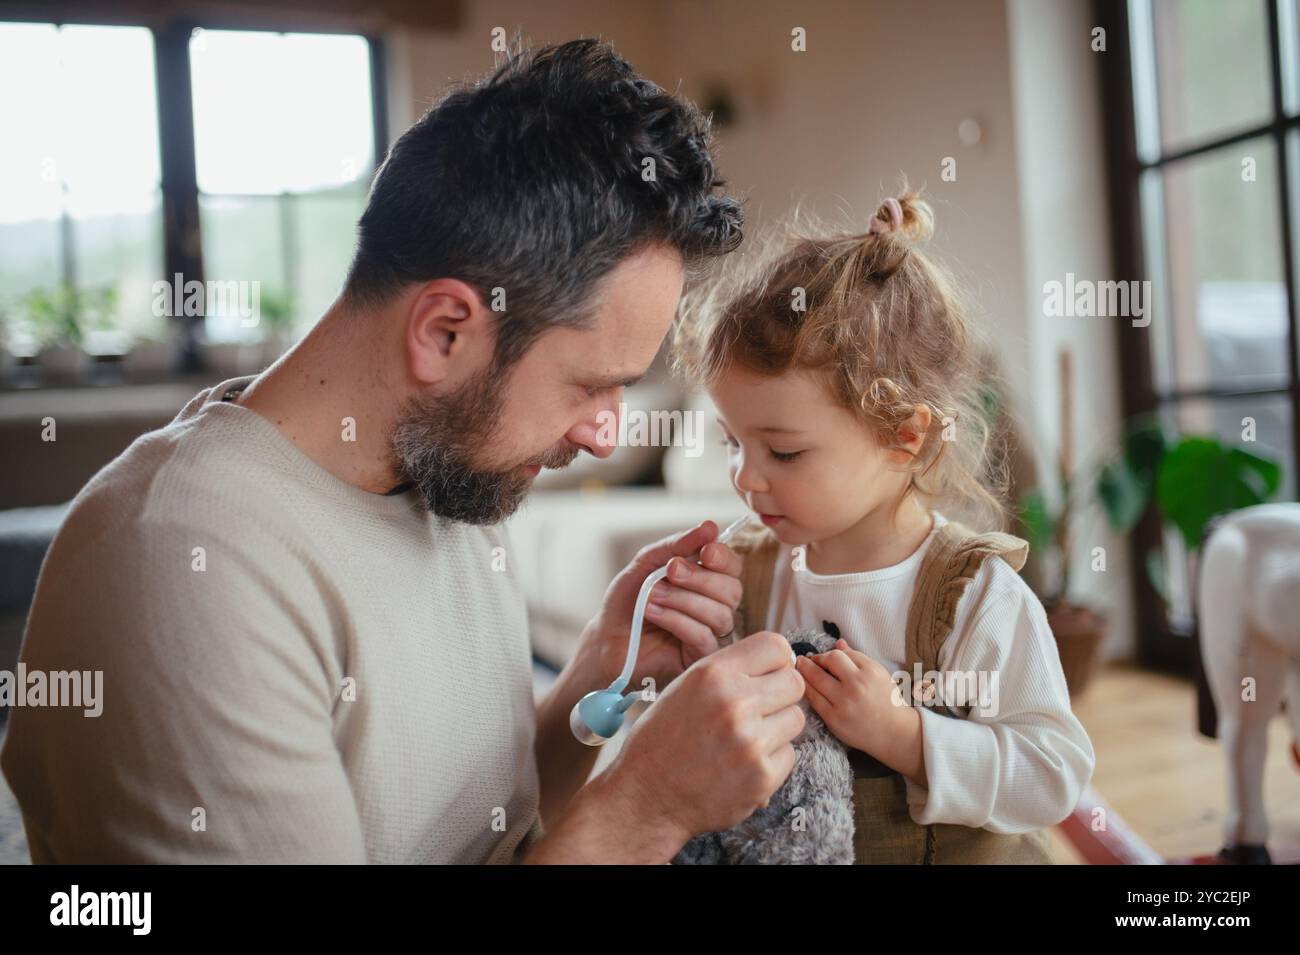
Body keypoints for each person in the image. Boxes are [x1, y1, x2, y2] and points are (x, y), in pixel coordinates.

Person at [0, 38, 807, 864]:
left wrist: (602, 669)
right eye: (589, 385)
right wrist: (648, 805)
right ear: (444, 330)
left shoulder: (448, 465)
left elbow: (482, 827)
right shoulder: (178, 564)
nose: (605, 430)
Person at [671, 187, 1096, 862]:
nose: (745, 478)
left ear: (904, 436)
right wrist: (695, 641)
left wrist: (903, 734)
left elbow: (1052, 775)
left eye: (782, 451)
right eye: (732, 443)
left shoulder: (974, 595)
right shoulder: (752, 567)